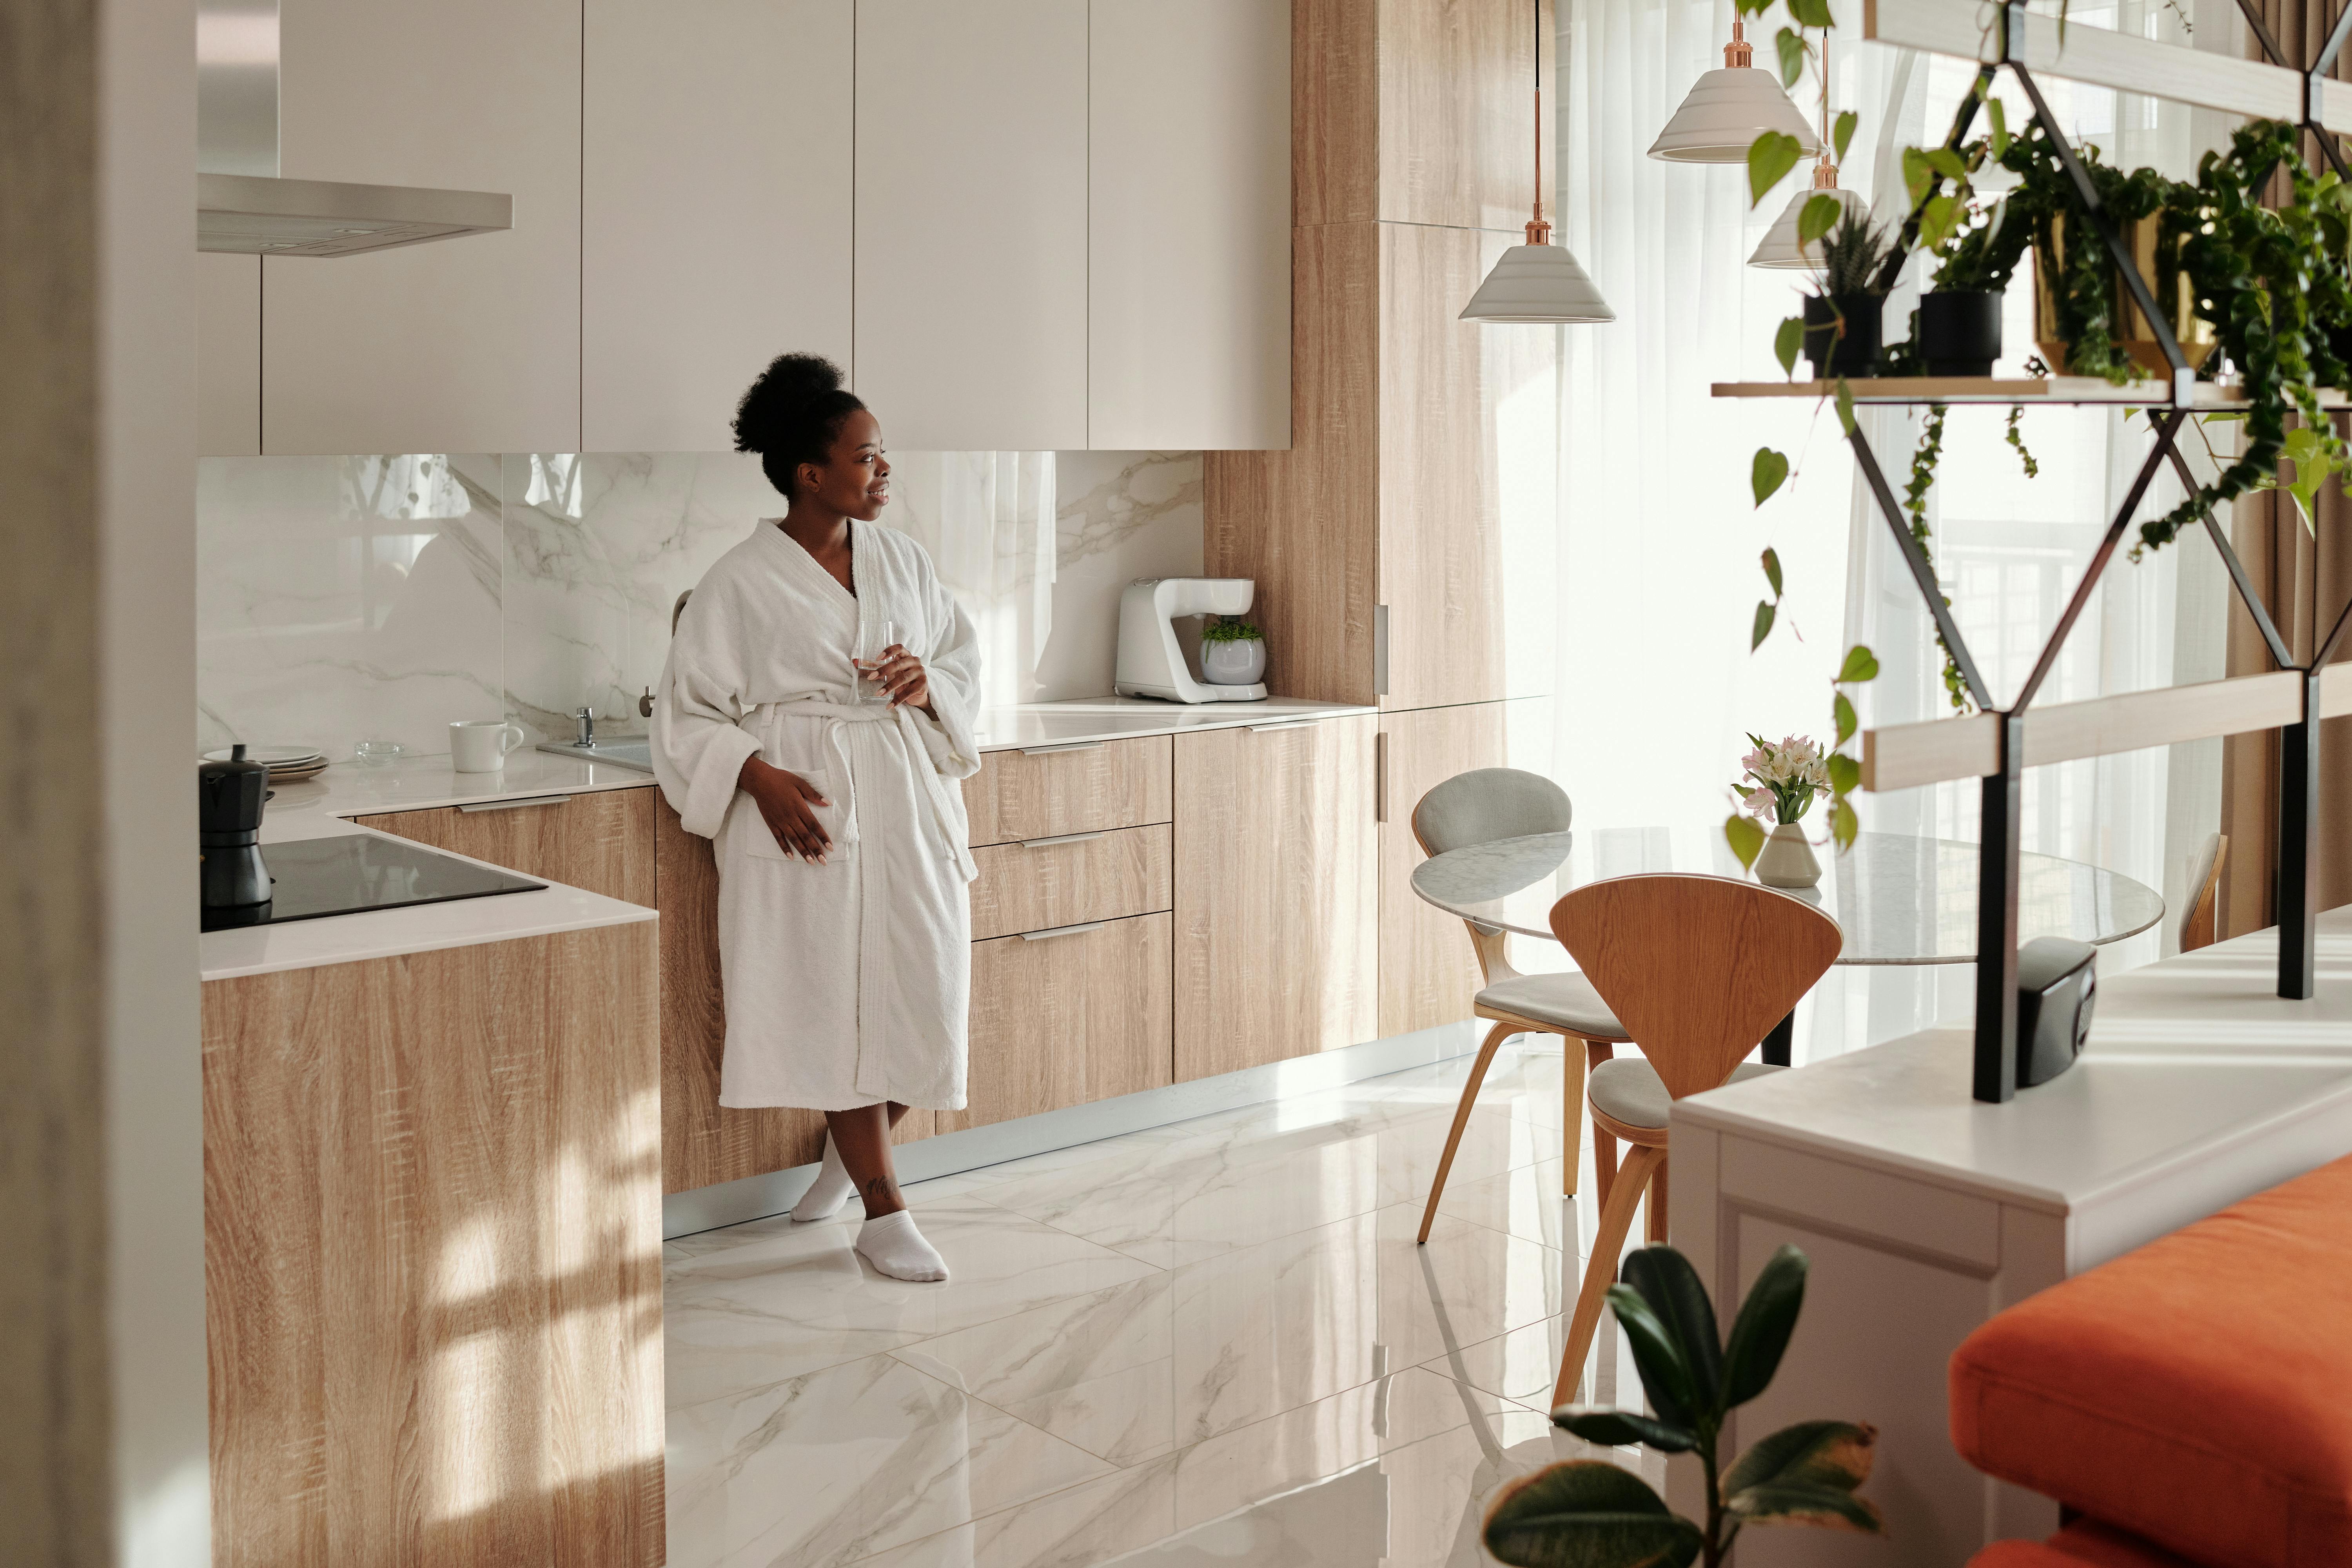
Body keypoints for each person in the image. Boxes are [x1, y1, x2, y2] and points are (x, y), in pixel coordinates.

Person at [650, 352, 982, 1282]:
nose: (884, 472)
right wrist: (757, 775)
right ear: (811, 472)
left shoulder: (902, 558)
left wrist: (928, 685)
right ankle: (884, 1208)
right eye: (868, 457)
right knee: (826, 998)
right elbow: (684, 715)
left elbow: (961, 657)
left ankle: (850, 1154)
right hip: (810, 807)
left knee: (922, 986)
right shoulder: (737, 582)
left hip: (908, 796)